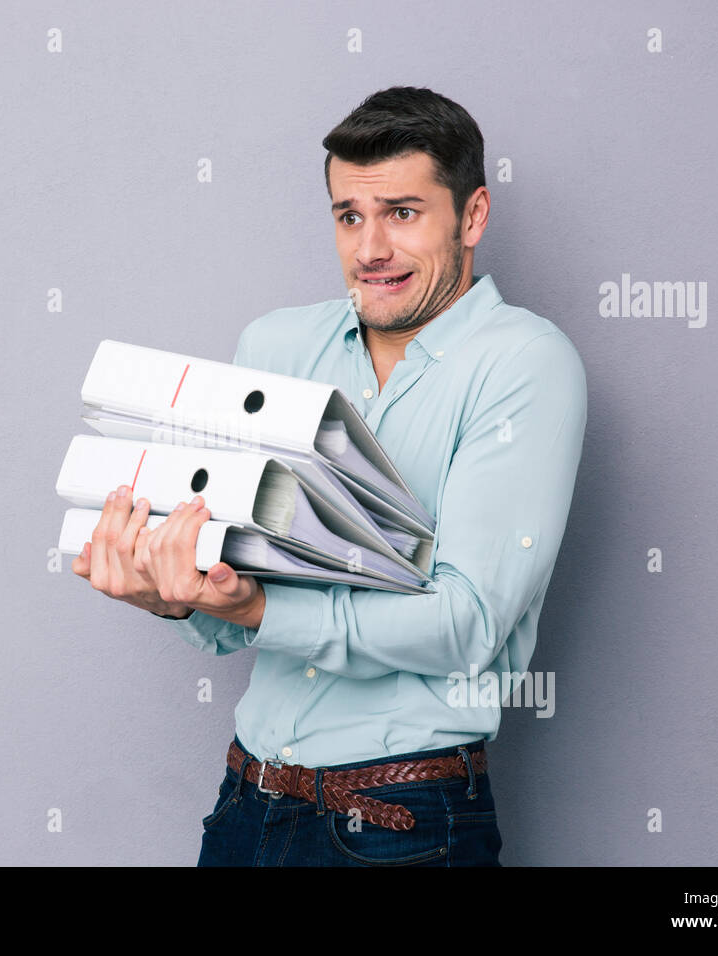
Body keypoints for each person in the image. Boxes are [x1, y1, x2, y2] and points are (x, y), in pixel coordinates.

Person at [70, 86, 587, 866]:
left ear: (473, 215)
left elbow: (467, 626)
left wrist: (259, 611)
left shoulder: (524, 364)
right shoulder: (276, 345)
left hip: (402, 822)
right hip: (247, 804)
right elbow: (237, 590)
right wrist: (174, 594)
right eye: (350, 216)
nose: (370, 247)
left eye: (403, 213)